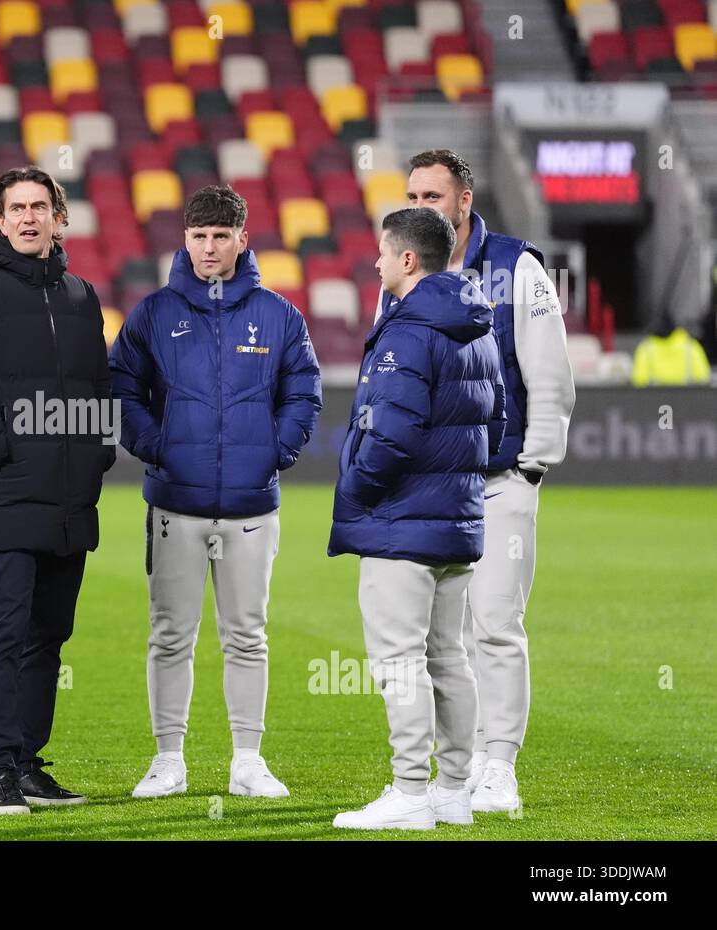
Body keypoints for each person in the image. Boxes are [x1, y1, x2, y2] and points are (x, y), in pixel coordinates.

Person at [109, 186, 321, 800]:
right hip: (175, 502)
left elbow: (303, 391)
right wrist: (156, 445)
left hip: (252, 508)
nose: (209, 247)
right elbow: (121, 387)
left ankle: (247, 760)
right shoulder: (153, 313)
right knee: (170, 633)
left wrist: (275, 452)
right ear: (185, 240)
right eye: (199, 236)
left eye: (220, 236)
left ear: (241, 240)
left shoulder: (280, 316)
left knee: (247, 634)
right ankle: (167, 760)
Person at [0, 166, 115, 815]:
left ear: (59, 217)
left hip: (70, 502)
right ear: (1, 220)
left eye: (41, 205)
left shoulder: (80, 296)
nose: (31, 217)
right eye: (18, 208)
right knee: (4, 634)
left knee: (48, 637)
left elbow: (99, 387)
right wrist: (5, 447)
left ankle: (31, 765)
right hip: (8, 493)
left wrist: (98, 454)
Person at [401, 150, 576, 812]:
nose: (420, 209)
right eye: (412, 196)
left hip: (501, 478)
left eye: (433, 197)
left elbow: (550, 373)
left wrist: (533, 466)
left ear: (464, 201)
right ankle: (461, 763)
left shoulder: (515, 269)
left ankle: (499, 765)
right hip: (433, 484)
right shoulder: (408, 270)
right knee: (441, 635)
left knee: (496, 623)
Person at [329, 207, 505, 830]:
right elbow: (498, 423)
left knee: (400, 659)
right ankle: (455, 790)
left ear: (407, 259)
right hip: (457, 520)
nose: (375, 263)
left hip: (401, 521)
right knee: (449, 657)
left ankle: (410, 790)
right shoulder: (477, 324)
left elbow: (391, 432)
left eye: (383, 253)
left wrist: (357, 486)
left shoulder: (407, 330)